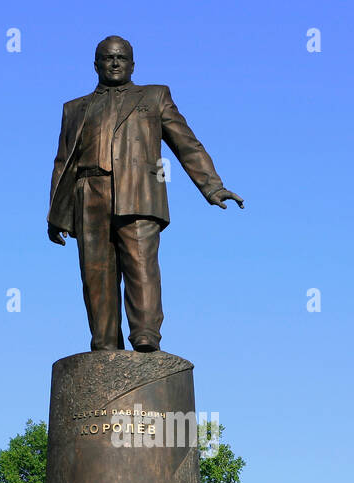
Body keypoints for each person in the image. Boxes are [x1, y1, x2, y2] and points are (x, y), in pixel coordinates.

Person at [47, 36, 243, 352]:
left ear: (132, 64)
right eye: (107, 58)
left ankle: (145, 334)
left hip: (138, 192)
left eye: (121, 58)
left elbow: (186, 143)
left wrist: (212, 186)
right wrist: (56, 212)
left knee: (141, 266)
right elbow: (62, 162)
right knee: (95, 275)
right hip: (89, 194)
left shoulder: (154, 97)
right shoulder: (73, 109)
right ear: (95, 64)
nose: (114, 63)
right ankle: (105, 342)